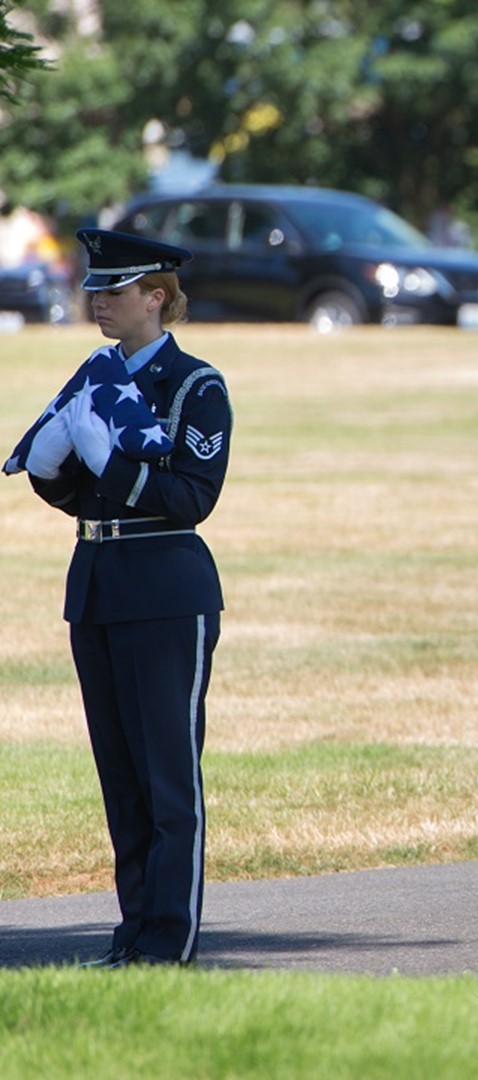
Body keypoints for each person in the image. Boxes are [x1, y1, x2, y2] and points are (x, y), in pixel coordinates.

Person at [5, 229, 231, 967]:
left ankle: (171, 939)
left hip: (167, 589)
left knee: (168, 780)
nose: (96, 301)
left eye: (114, 290)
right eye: (94, 289)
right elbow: (77, 492)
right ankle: (134, 934)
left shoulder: (196, 386)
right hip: (99, 587)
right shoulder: (94, 375)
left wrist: (112, 458)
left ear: (155, 297)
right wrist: (52, 470)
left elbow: (190, 498)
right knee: (123, 780)